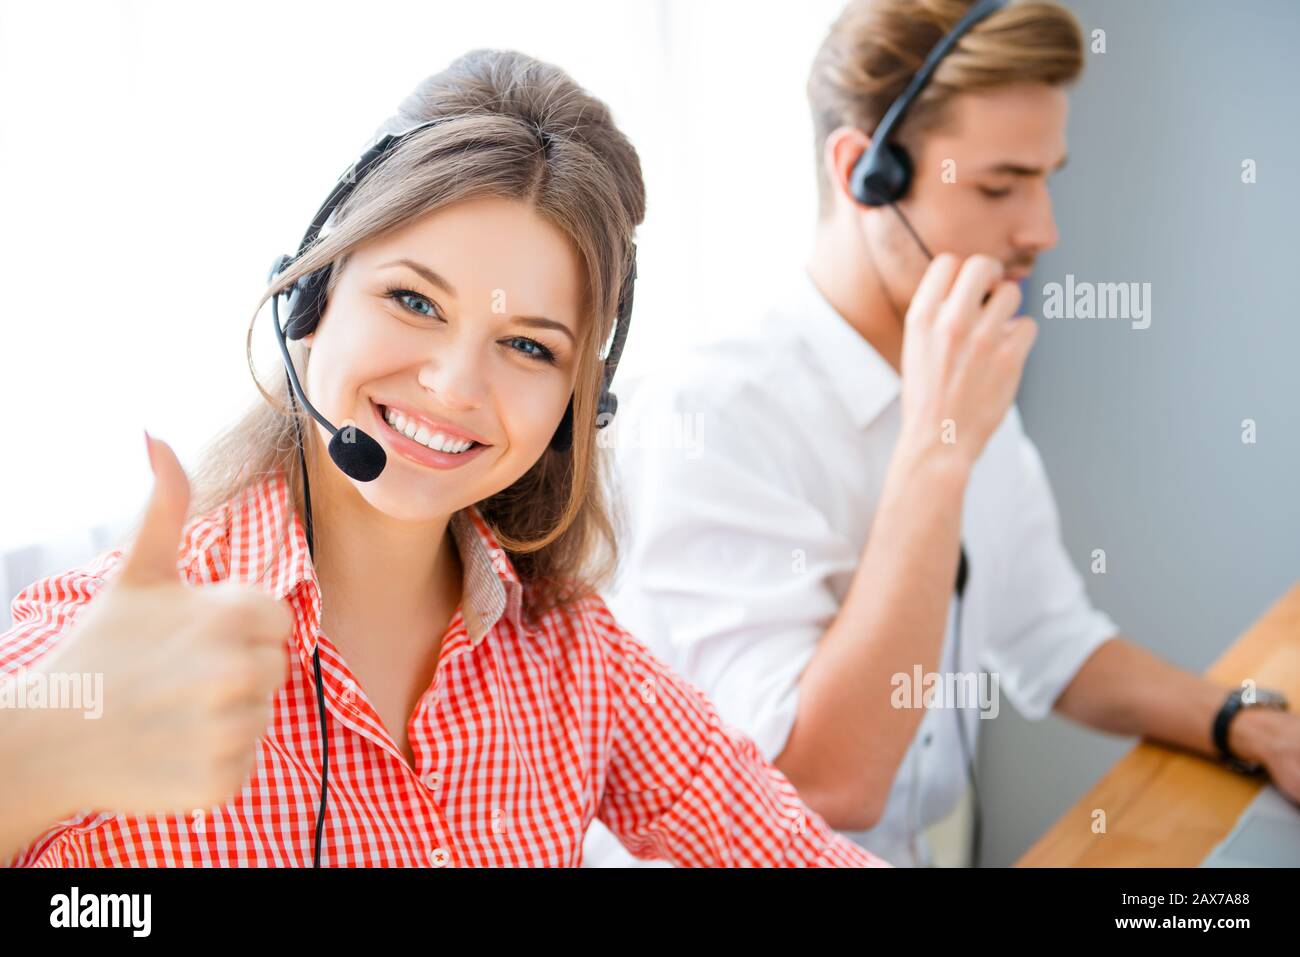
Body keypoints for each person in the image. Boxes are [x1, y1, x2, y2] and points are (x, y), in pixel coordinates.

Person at [0, 49, 887, 868]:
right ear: (315, 293)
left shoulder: (571, 658)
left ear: (579, 408)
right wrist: (38, 750)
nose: (456, 385)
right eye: (414, 301)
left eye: (529, 346)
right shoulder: (120, 646)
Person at [582, 0, 1300, 869]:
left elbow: (1051, 640)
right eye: (999, 185)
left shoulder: (957, 373)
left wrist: (1245, 721)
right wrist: (937, 448)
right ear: (865, 173)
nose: (1042, 231)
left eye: (1046, 178)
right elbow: (821, 782)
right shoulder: (713, 420)